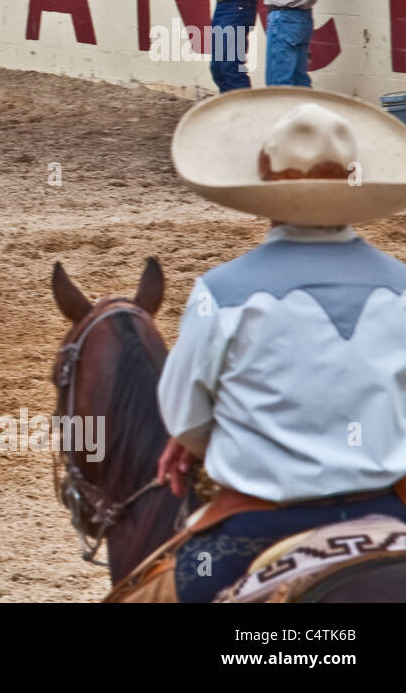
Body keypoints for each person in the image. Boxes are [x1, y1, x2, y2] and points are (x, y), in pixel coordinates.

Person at [153, 88, 406, 602]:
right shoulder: (401, 286)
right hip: (387, 512)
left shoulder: (221, 293)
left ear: (262, 183)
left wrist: (212, 440)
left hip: (258, 528)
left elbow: (185, 419)